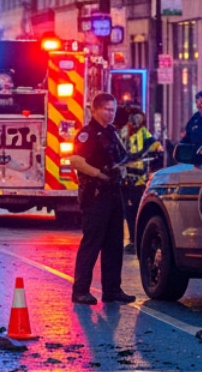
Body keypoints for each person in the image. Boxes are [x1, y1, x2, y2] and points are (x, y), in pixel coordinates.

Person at [69, 92, 134, 305]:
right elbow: (76, 160)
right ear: (94, 110)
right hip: (95, 194)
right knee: (92, 242)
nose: (110, 113)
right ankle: (80, 291)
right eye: (106, 109)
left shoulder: (112, 133)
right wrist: (99, 174)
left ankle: (112, 290)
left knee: (114, 244)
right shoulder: (87, 134)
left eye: (113, 109)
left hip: (114, 193)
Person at [121, 109, 163, 247]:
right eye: (135, 118)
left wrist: (159, 149)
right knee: (129, 212)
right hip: (126, 178)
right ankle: (133, 240)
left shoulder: (144, 133)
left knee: (138, 210)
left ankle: (137, 240)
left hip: (139, 179)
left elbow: (155, 144)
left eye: (140, 119)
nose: (137, 122)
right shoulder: (124, 133)